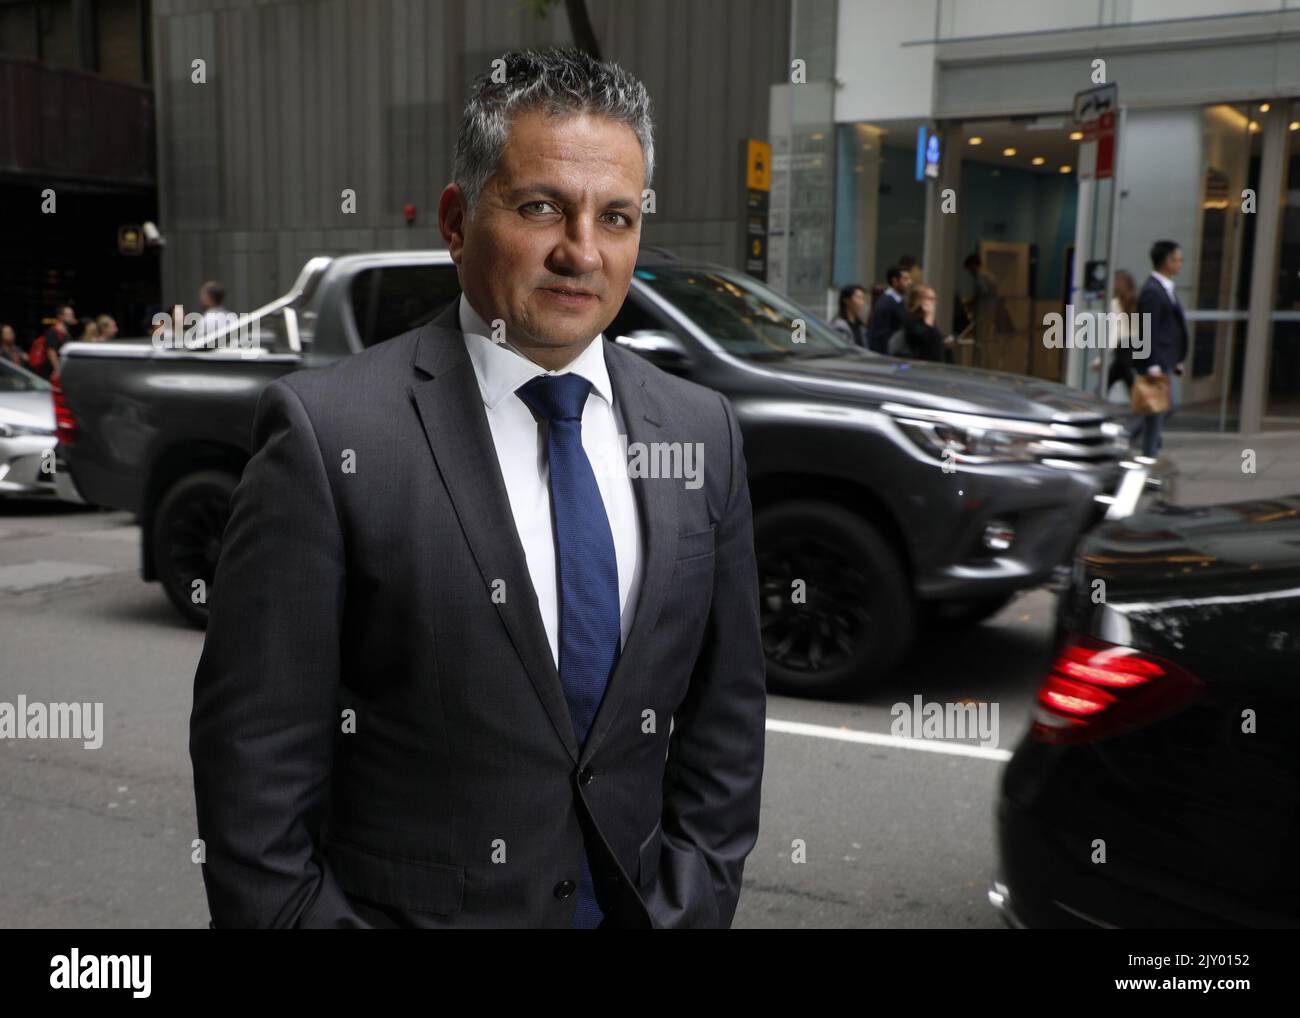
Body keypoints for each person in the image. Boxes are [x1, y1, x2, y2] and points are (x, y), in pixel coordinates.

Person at [190, 47, 766, 930]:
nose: (581, 251)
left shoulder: (701, 432)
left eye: (616, 217)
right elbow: (254, 768)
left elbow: (726, 723)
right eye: (542, 208)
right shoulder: (328, 436)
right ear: (457, 221)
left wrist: (691, 906)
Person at [1132, 240, 1188, 459]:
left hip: (1165, 359)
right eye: (1177, 259)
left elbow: (1170, 327)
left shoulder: (1164, 288)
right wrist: (1151, 364)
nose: (1180, 263)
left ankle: (1140, 447)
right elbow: (1147, 329)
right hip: (1156, 361)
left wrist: (1177, 359)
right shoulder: (1153, 291)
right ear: (1166, 261)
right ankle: (1144, 453)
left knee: (1158, 410)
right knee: (1158, 410)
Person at [888, 284, 954, 362]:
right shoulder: (911, 319)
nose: (935, 303)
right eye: (930, 299)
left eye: (935, 299)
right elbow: (924, 340)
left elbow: (934, 338)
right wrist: (929, 316)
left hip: (933, 364)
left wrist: (943, 341)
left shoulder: (926, 319)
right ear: (920, 301)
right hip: (918, 365)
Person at [864, 265, 909, 354]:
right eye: (905, 279)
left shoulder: (898, 301)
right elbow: (881, 335)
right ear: (895, 281)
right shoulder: (886, 303)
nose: (910, 282)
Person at [27, 304, 76, 379]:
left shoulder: (67, 333)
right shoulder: (52, 332)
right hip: (51, 374)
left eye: (72, 314)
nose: (71, 317)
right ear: (60, 316)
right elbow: (51, 352)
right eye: (68, 315)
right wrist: (58, 370)